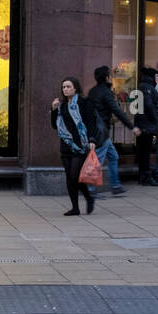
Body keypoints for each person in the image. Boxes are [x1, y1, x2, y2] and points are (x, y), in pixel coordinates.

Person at [86, 66, 141, 196]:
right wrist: (131, 126)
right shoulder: (105, 92)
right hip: (102, 132)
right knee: (97, 160)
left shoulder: (93, 91)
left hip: (97, 129)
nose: (110, 76)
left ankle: (115, 186)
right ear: (106, 77)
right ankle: (90, 190)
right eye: (109, 75)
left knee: (113, 156)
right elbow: (117, 110)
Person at [51, 76, 101, 217]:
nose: (65, 89)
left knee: (74, 176)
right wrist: (54, 109)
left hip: (81, 145)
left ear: (75, 88)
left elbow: (91, 122)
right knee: (70, 177)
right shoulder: (61, 105)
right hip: (66, 145)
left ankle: (88, 197)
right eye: (63, 87)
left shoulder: (85, 103)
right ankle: (75, 208)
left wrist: (92, 139)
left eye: (68, 87)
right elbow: (55, 125)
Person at [133, 67, 158, 186]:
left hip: (141, 124)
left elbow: (137, 107)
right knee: (146, 151)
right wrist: (157, 119)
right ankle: (146, 176)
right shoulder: (149, 88)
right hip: (147, 125)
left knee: (142, 151)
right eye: (157, 76)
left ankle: (142, 176)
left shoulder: (140, 87)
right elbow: (149, 106)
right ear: (152, 77)